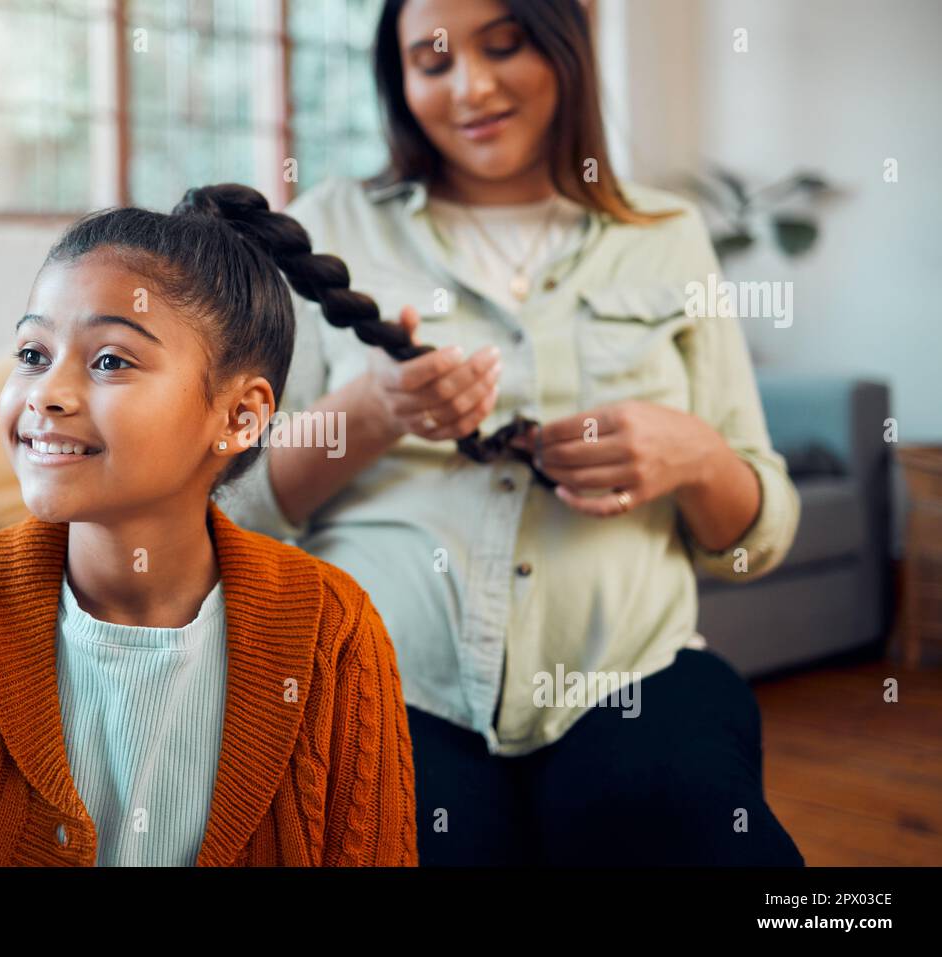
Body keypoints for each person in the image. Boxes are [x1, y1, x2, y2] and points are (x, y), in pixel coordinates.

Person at [220, 0, 805, 865]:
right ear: (401, 80)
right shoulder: (332, 226)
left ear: (566, 50)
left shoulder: (668, 237)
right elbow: (234, 513)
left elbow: (750, 544)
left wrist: (695, 454)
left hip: (631, 677)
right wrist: (378, 411)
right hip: (380, 682)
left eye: (505, 46)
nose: (473, 87)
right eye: (433, 60)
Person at [0, 184, 418, 867]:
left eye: (110, 360)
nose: (48, 393)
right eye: (32, 353)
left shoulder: (336, 632)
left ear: (240, 416)